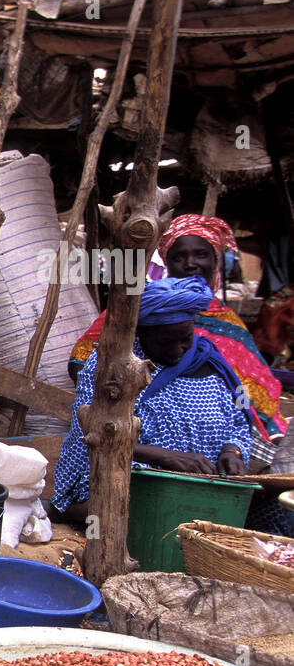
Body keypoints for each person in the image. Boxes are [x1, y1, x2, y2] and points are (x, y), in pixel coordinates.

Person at [69, 214, 286, 448]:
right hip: (140, 432)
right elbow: (80, 362)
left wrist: (234, 439)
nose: (190, 263)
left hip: (221, 437)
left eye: (201, 254)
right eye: (179, 257)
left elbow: (248, 386)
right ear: (167, 261)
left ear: (215, 260)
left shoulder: (227, 321)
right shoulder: (141, 308)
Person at [51, 275, 251, 522]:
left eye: (186, 339)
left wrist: (232, 452)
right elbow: (95, 435)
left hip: (206, 492)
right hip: (128, 482)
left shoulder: (211, 362)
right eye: (167, 342)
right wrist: (166, 457)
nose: (179, 349)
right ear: (141, 333)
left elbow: (241, 424)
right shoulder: (110, 366)